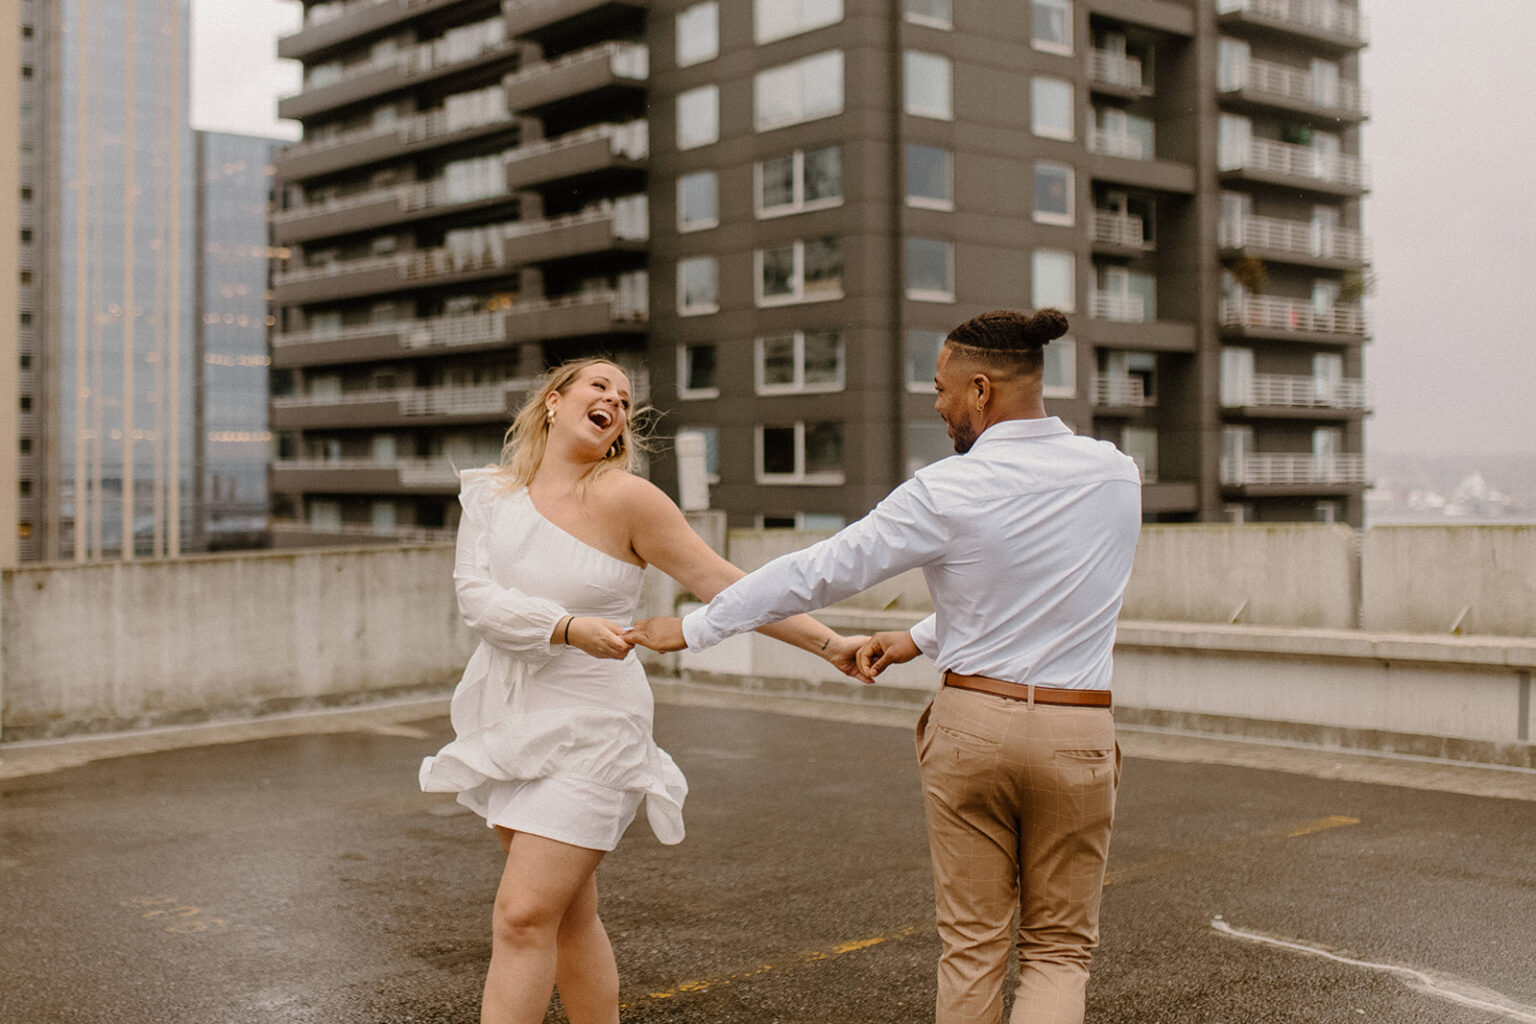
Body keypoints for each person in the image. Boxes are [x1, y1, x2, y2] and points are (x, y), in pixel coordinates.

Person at [627, 309, 1142, 1024]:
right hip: (1075, 731)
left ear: (982, 390)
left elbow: (817, 571)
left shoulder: (947, 488)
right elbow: (1048, 588)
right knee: (1057, 951)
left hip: (974, 727)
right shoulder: (1115, 473)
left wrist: (694, 627)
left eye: (941, 389)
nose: (938, 405)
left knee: (972, 947)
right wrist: (921, 637)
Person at [419, 357, 867, 1024]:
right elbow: (475, 600)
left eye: (626, 400)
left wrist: (830, 645)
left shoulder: (629, 499)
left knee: (521, 915)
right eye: (601, 387)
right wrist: (567, 627)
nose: (616, 402)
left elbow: (726, 584)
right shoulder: (490, 496)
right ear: (554, 401)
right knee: (570, 916)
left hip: (597, 726)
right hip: (511, 718)